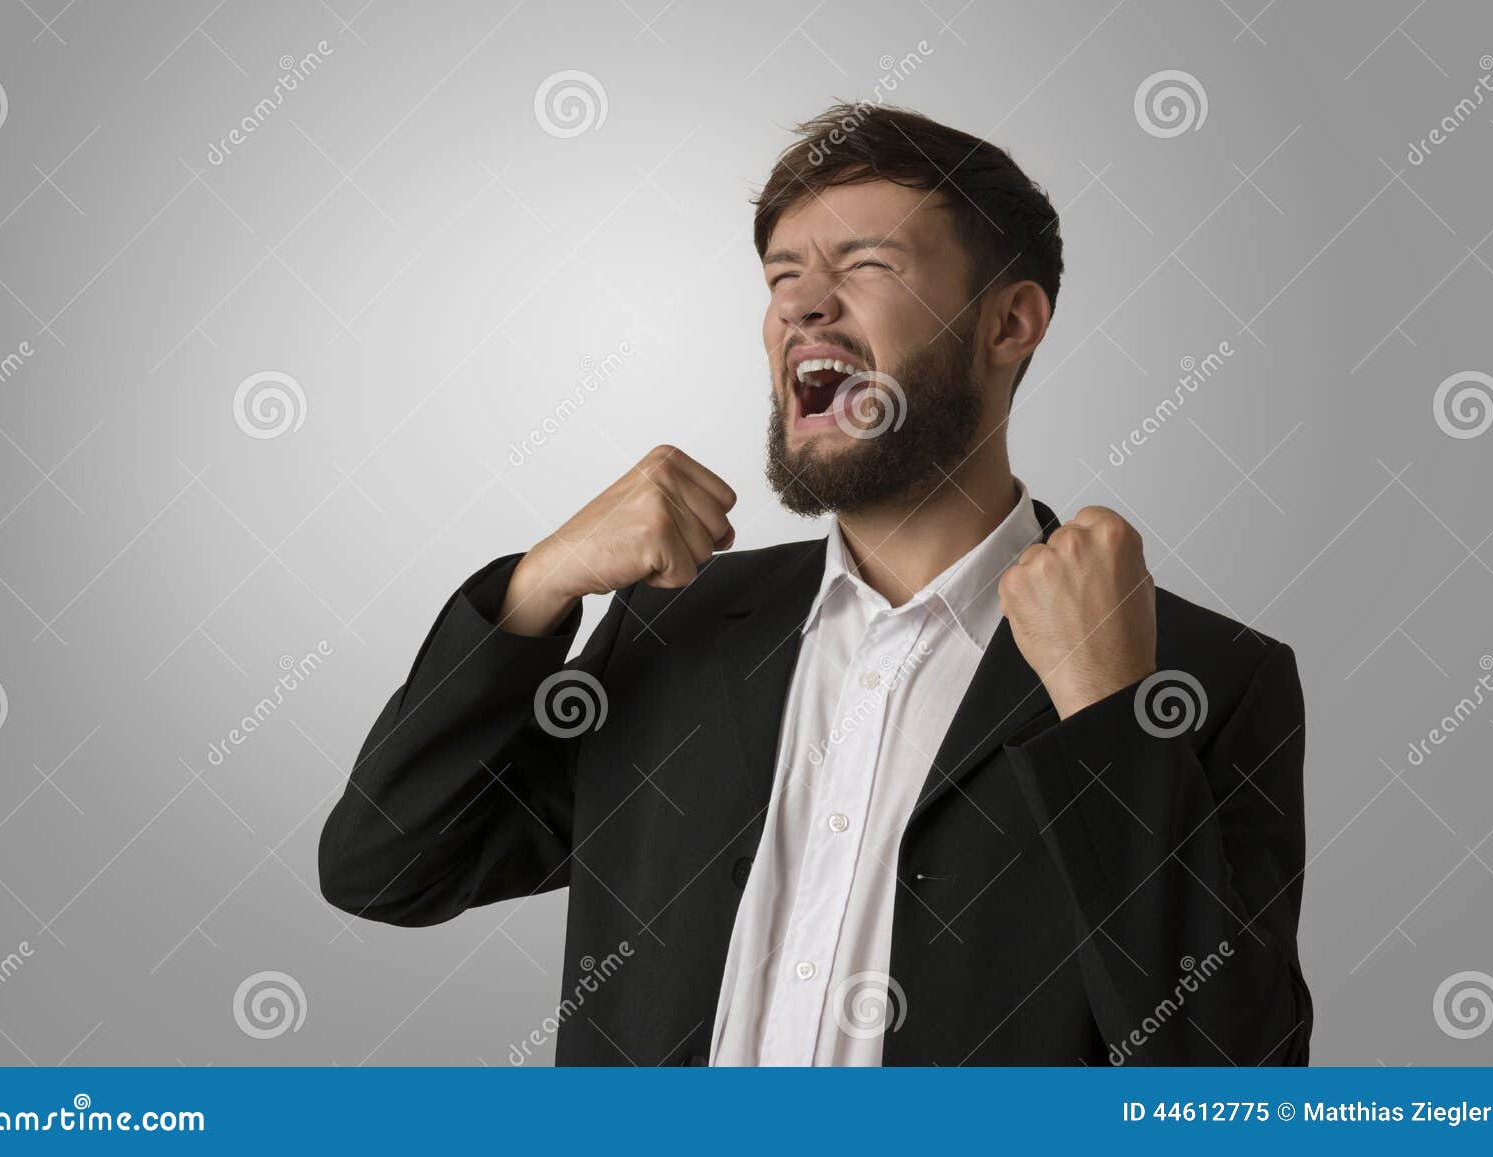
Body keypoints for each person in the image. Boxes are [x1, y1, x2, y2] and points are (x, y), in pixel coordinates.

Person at [318, 103, 1311, 1067]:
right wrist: (537, 587)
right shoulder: (675, 626)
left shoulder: (1201, 678)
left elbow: (1235, 1079)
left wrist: (1110, 721)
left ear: (1009, 321)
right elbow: (387, 866)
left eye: (865, 264)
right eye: (782, 275)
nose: (799, 302)